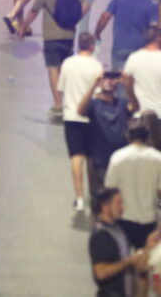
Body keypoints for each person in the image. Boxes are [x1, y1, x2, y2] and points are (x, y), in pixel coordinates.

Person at [61, 32, 107, 213]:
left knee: (76, 157)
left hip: (71, 115)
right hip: (91, 115)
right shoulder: (96, 66)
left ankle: (79, 198)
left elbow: (62, 89)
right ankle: (94, 193)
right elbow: (100, 92)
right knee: (92, 158)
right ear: (92, 46)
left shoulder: (67, 64)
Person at [89, 187, 148, 297]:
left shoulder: (119, 229)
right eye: (118, 204)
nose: (122, 208)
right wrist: (129, 261)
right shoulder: (100, 236)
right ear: (105, 207)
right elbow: (100, 272)